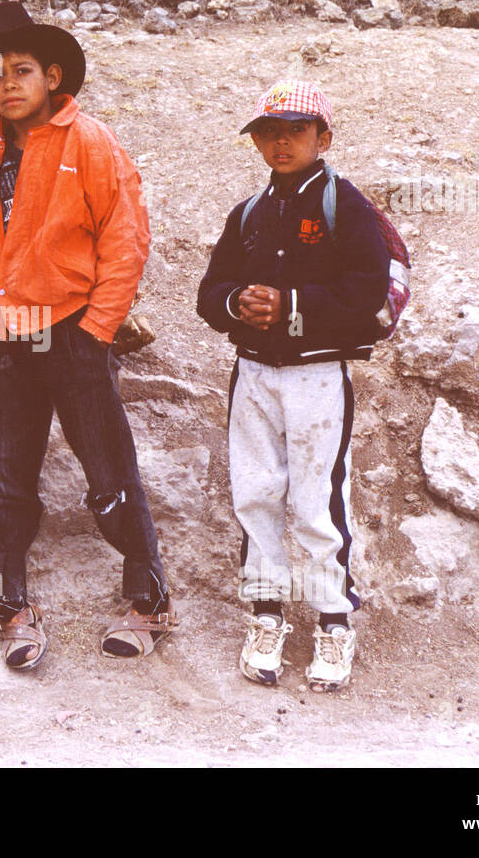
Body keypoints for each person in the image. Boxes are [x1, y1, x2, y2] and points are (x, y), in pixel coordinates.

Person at [0, 0, 176, 671]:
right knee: (4, 475)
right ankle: (10, 602)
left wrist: (96, 329)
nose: (8, 85)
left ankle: (148, 595)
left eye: (22, 71)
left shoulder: (91, 143)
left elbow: (126, 240)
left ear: (52, 76)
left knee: (108, 470)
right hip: (5, 338)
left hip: (73, 333)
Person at [195, 80, 390, 692]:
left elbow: (368, 292)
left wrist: (291, 305)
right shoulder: (249, 212)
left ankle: (334, 621)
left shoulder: (346, 207)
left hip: (316, 375)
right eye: (268, 131)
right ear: (255, 142)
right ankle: (266, 615)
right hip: (252, 373)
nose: (281, 141)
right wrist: (238, 305)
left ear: (323, 138)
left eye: (296, 130)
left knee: (316, 499)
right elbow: (209, 292)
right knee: (254, 493)